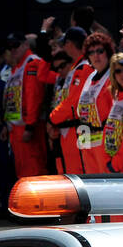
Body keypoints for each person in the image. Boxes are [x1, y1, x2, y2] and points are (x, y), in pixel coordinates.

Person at [3, 34, 51, 179]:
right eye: (9, 47)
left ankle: (39, 202)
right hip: (16, 129)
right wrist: (7, 124)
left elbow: (34, 96)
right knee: (23, 172)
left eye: (16, 46)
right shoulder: (16, 67)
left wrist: (30, 126)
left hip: (30, 129)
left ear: (25, 45)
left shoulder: (31, 62)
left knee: (34, 171)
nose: (12, 50)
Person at [47, 28, 93, 174]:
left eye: (64, 44)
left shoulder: (85, 67)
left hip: (79, 130)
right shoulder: (76, 68)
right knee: (68, 174)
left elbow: (73, 101)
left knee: (80, 174)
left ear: (70, 44)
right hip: (68, 130)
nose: (63, 48)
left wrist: (52, 119)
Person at [76, 32, 116, 173]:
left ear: (108, 52)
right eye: (91, 52)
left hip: (104, 143)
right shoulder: (90, 77)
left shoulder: (113, 76)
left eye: (100, 51)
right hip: (87, 139)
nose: (96, 56)